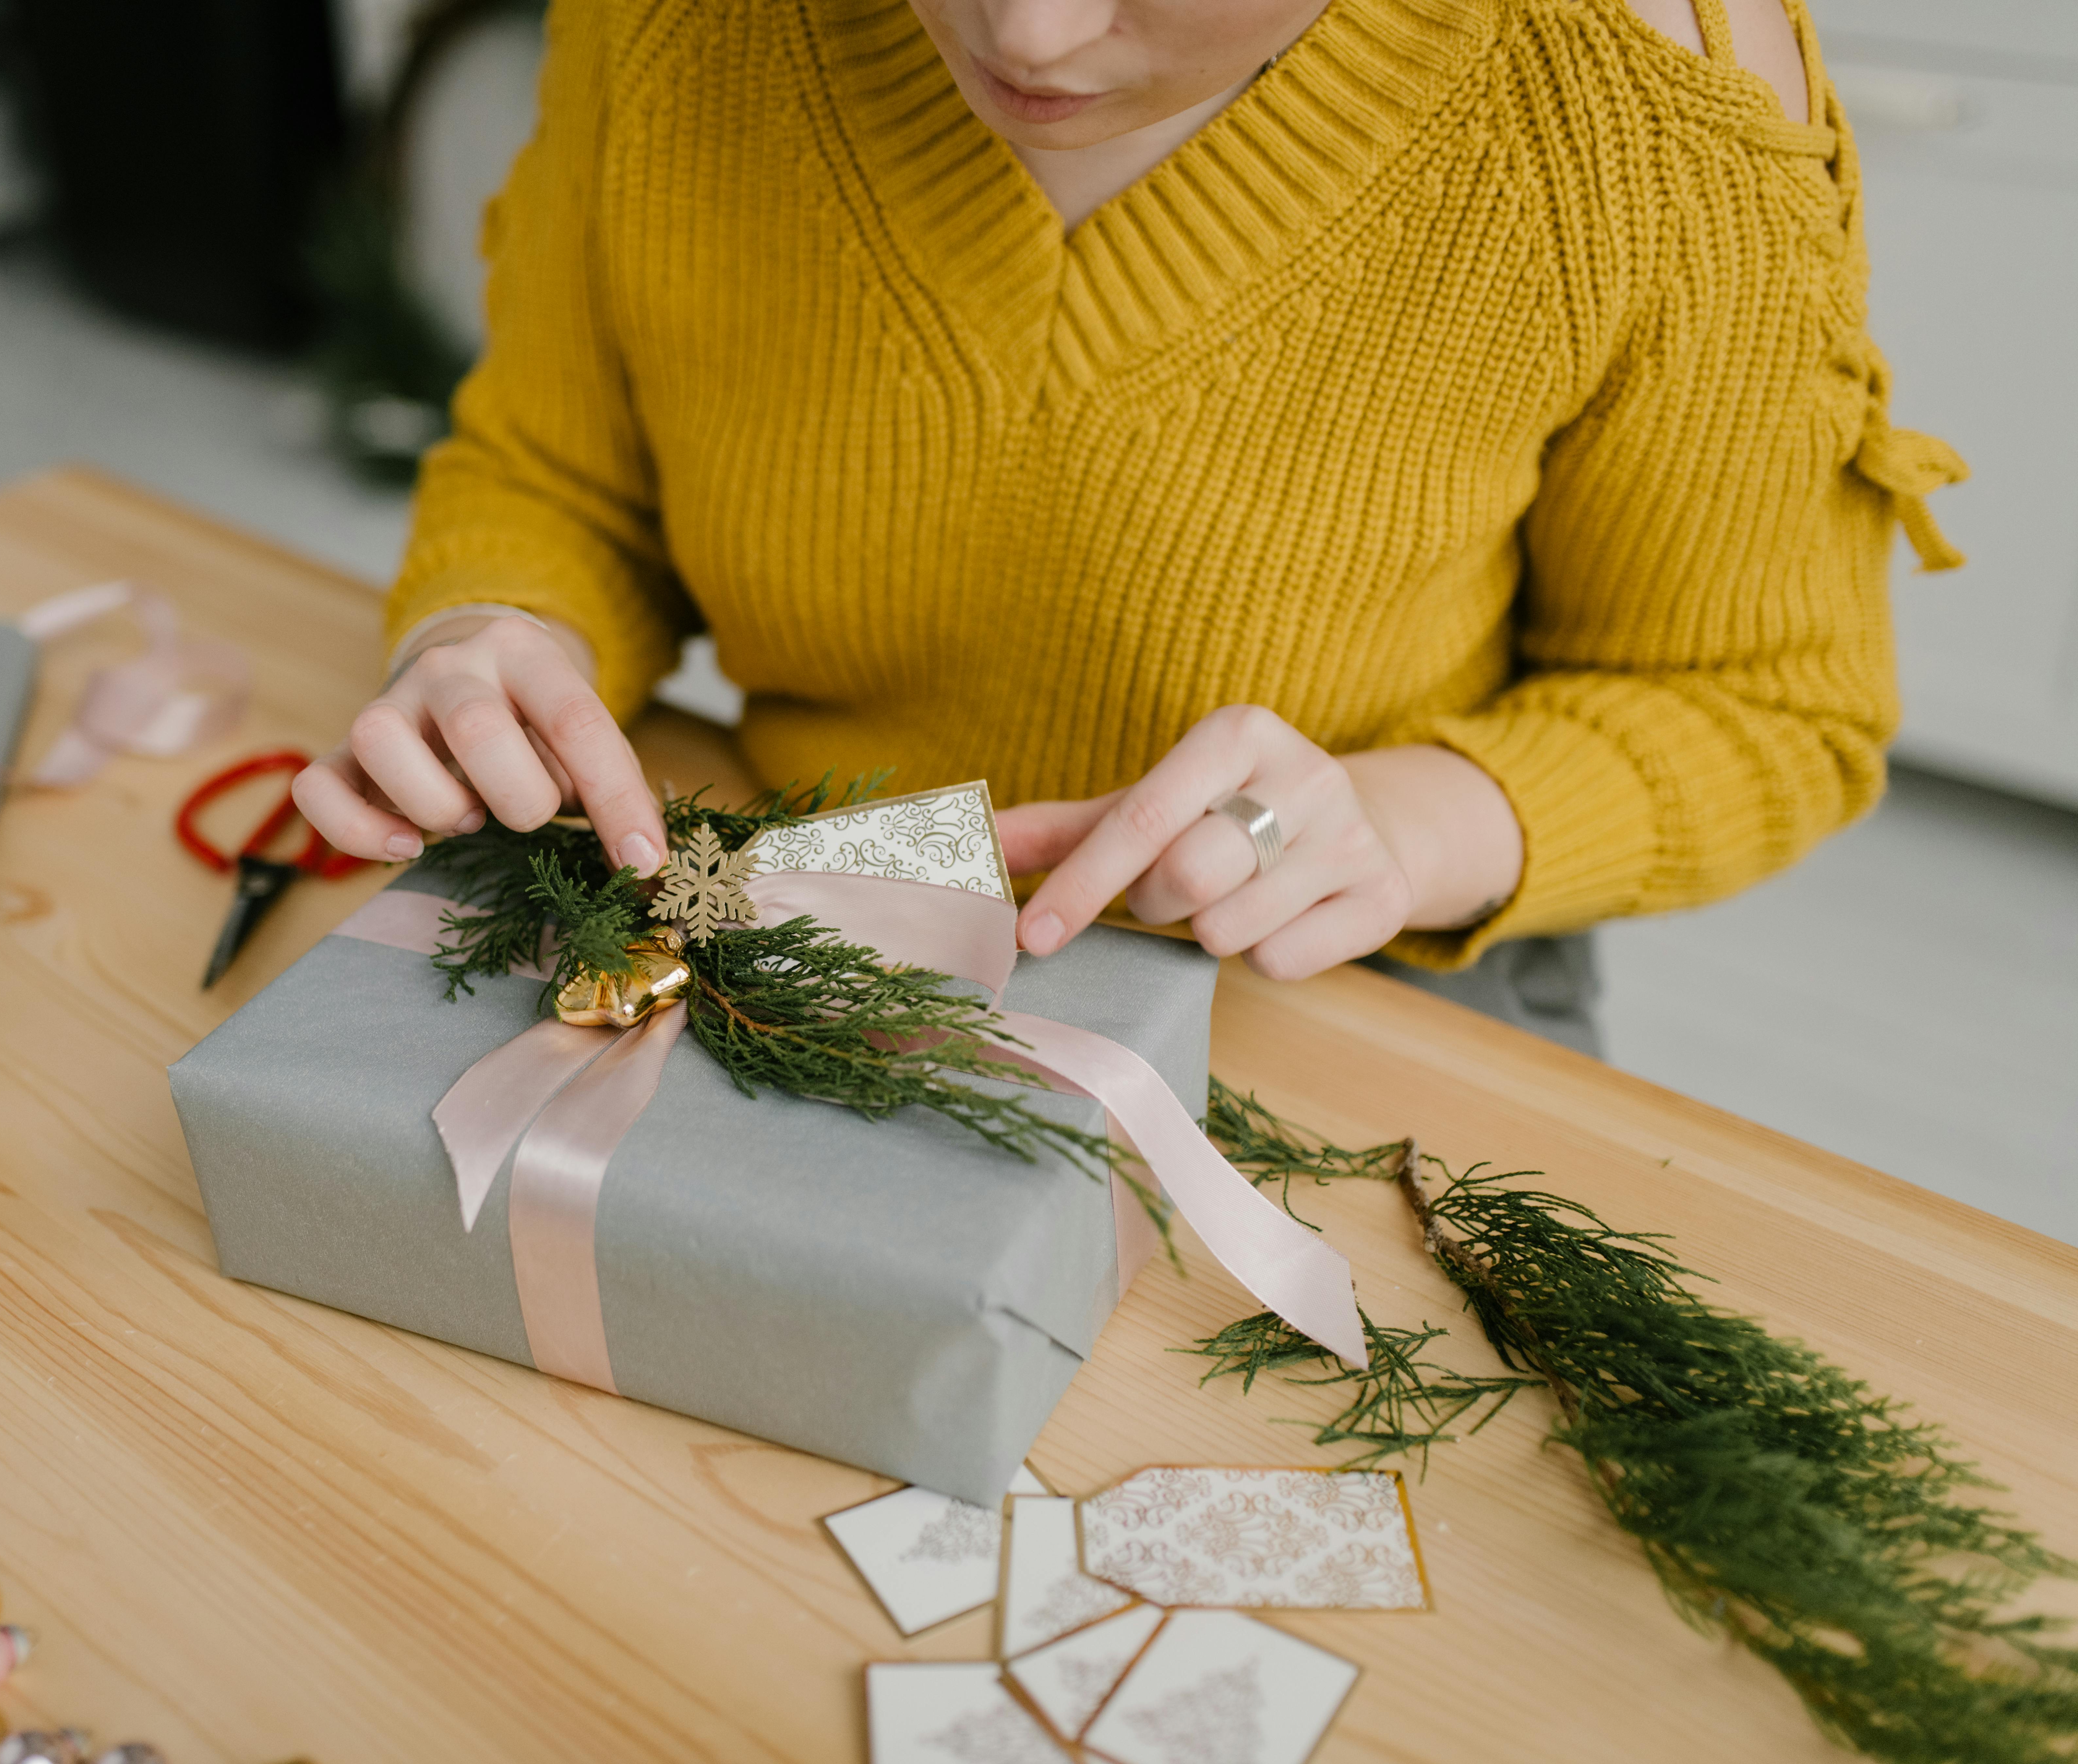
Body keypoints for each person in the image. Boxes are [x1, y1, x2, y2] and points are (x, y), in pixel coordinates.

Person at [293, 0, 1964, 1054]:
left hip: (1346, 996)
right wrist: (491, 631)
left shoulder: (1650, 127)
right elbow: (559, 472)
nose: (1028, 36)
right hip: (806, 915)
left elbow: (1762, 705)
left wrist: (1405, 825)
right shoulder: (675, 24)